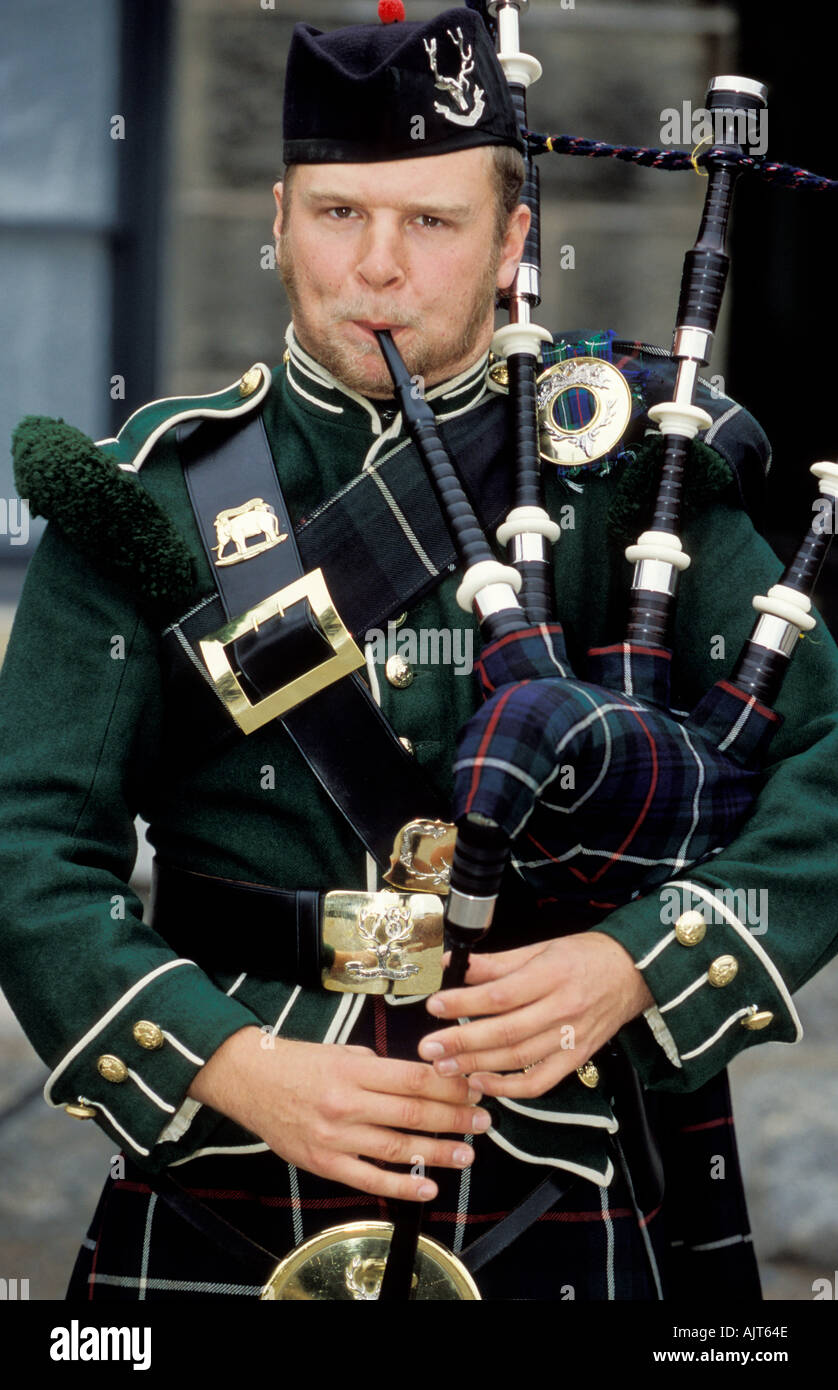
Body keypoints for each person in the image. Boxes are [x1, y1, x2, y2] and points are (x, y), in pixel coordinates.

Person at [1, 3, 837, 1302]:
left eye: (431, 222)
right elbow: (30, 839)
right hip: (227, 1153)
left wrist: (637, 962)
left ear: (510, 243)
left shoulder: (627, 475)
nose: (376, 266)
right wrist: (228, 1063)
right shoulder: (143, 499)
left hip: (559, 1144)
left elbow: (824, 758)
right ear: (280, 218)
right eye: (338, 212)